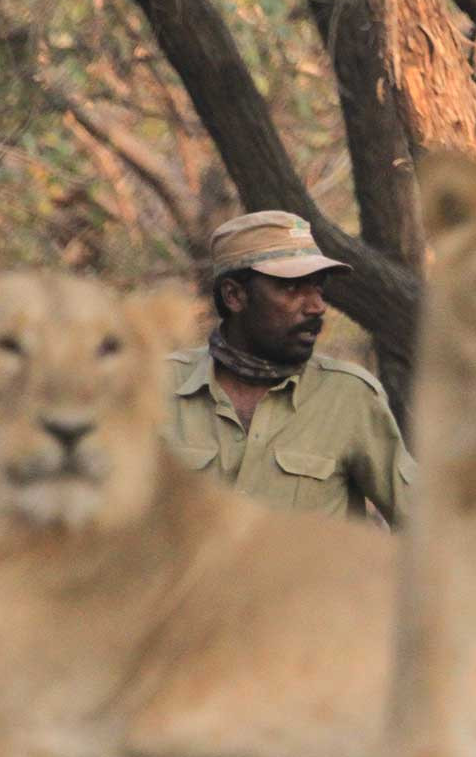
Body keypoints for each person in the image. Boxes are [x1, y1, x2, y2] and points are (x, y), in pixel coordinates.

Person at [166, 211, 413, 523]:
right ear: (234, 295)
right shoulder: (157, 388)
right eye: (293, 287)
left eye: (318, 287)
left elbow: (427, 526)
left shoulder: (350, 395)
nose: (317, 306)